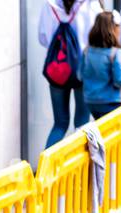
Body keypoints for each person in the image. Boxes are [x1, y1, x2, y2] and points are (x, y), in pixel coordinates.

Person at [40, 0, 100, 148]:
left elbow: (42, 38)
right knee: (82, 124)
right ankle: (79, 170)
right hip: (83, 70)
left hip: (57, 70)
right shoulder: (90, 4)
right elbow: (98, 36)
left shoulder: (49, 5)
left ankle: (47, 169)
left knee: (59, 124)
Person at [83, 12, 121, 118]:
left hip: (91, 101)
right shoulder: (116, 53)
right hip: (110, 102)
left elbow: (80, 75)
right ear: (114, 29)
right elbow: (120, 80)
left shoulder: (87, 52)